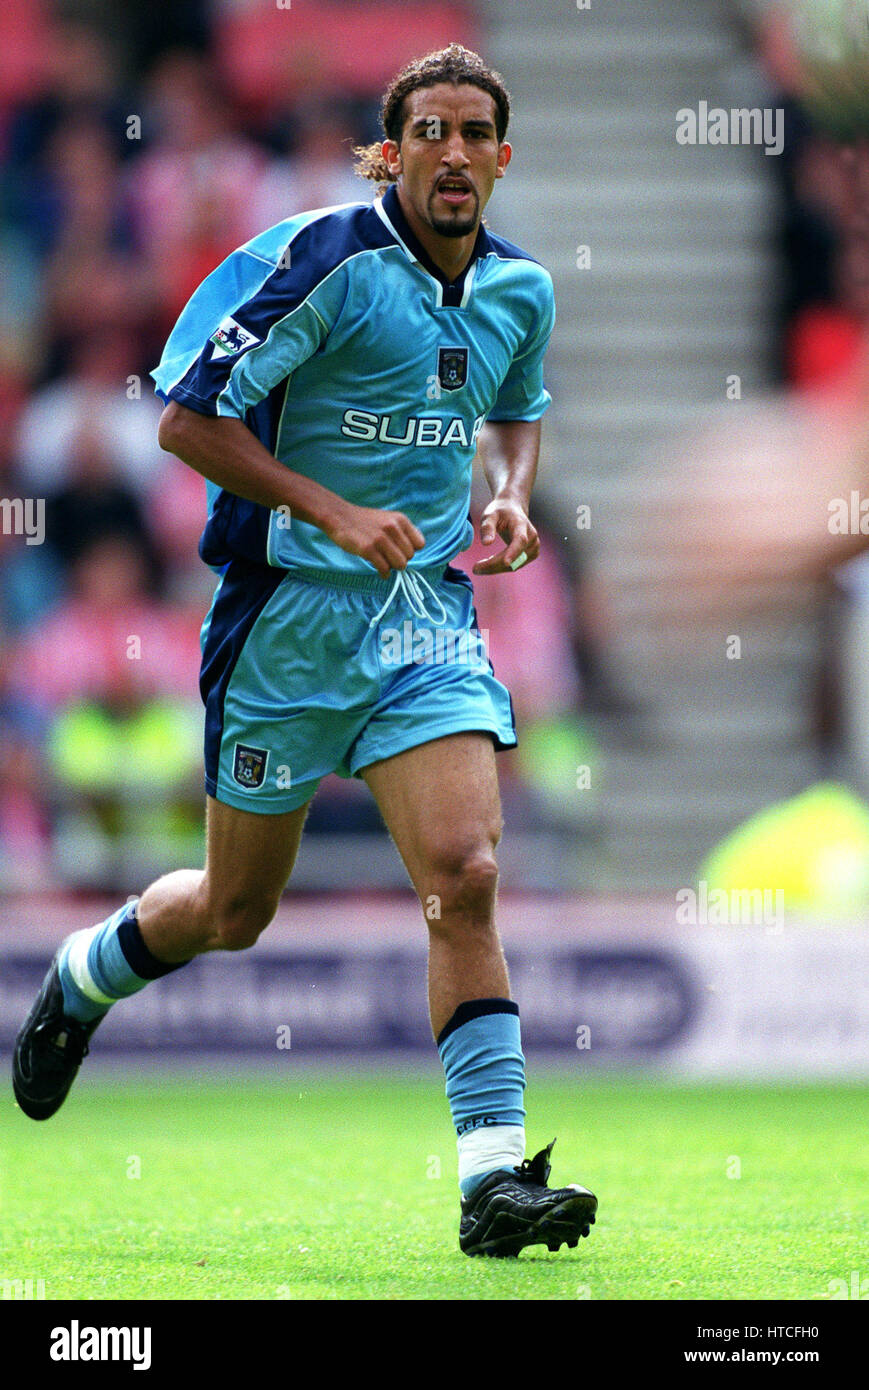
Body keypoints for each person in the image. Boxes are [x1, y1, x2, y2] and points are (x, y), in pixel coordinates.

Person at [13, 44, 597, 1259]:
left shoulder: (520, 288)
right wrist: (330, 509)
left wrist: (504, 497)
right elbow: (184, 421)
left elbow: (514, 409)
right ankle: (85, 971)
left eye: (470, 133)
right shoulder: (319, 264)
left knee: (465, 868)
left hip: (421, 615)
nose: (449, 153)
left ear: (500, 156)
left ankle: (491, 1180)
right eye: (424, 132)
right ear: (394, 153)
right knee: (235, 911)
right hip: (282, 617)